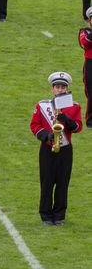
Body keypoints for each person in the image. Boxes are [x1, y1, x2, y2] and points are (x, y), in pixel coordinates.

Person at [29, 72, 83, 225]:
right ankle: (46, 215)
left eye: (63, 87)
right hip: (47, 149)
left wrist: (66, 119)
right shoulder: (42, 105)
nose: (60, 90)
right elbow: (34, 126)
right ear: (52, 89)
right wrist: (47, 136)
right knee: (46, 182)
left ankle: (59, 215)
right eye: (57, 87)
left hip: (65, 149)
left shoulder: (74, 106)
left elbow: (78, 127)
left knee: (62, 183)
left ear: (67, 89)